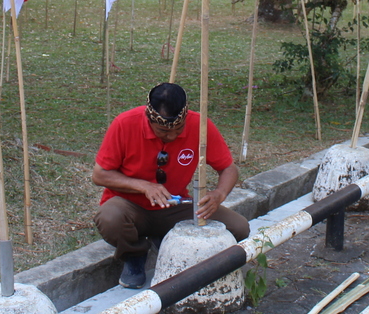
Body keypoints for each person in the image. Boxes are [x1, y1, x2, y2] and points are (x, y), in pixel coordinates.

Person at [92, 82, 251, 289]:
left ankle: (165, 237)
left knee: (238, 228)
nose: (172, 136)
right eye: (163, 131)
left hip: (174, 204)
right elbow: (99, 175)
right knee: (110, 218)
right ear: (149, 119)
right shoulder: (125, 123)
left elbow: (229, 169)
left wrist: (219, 194)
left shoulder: (200, 125)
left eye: (178, 129)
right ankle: (134, 255)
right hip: (130, 207)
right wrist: (144, 186)